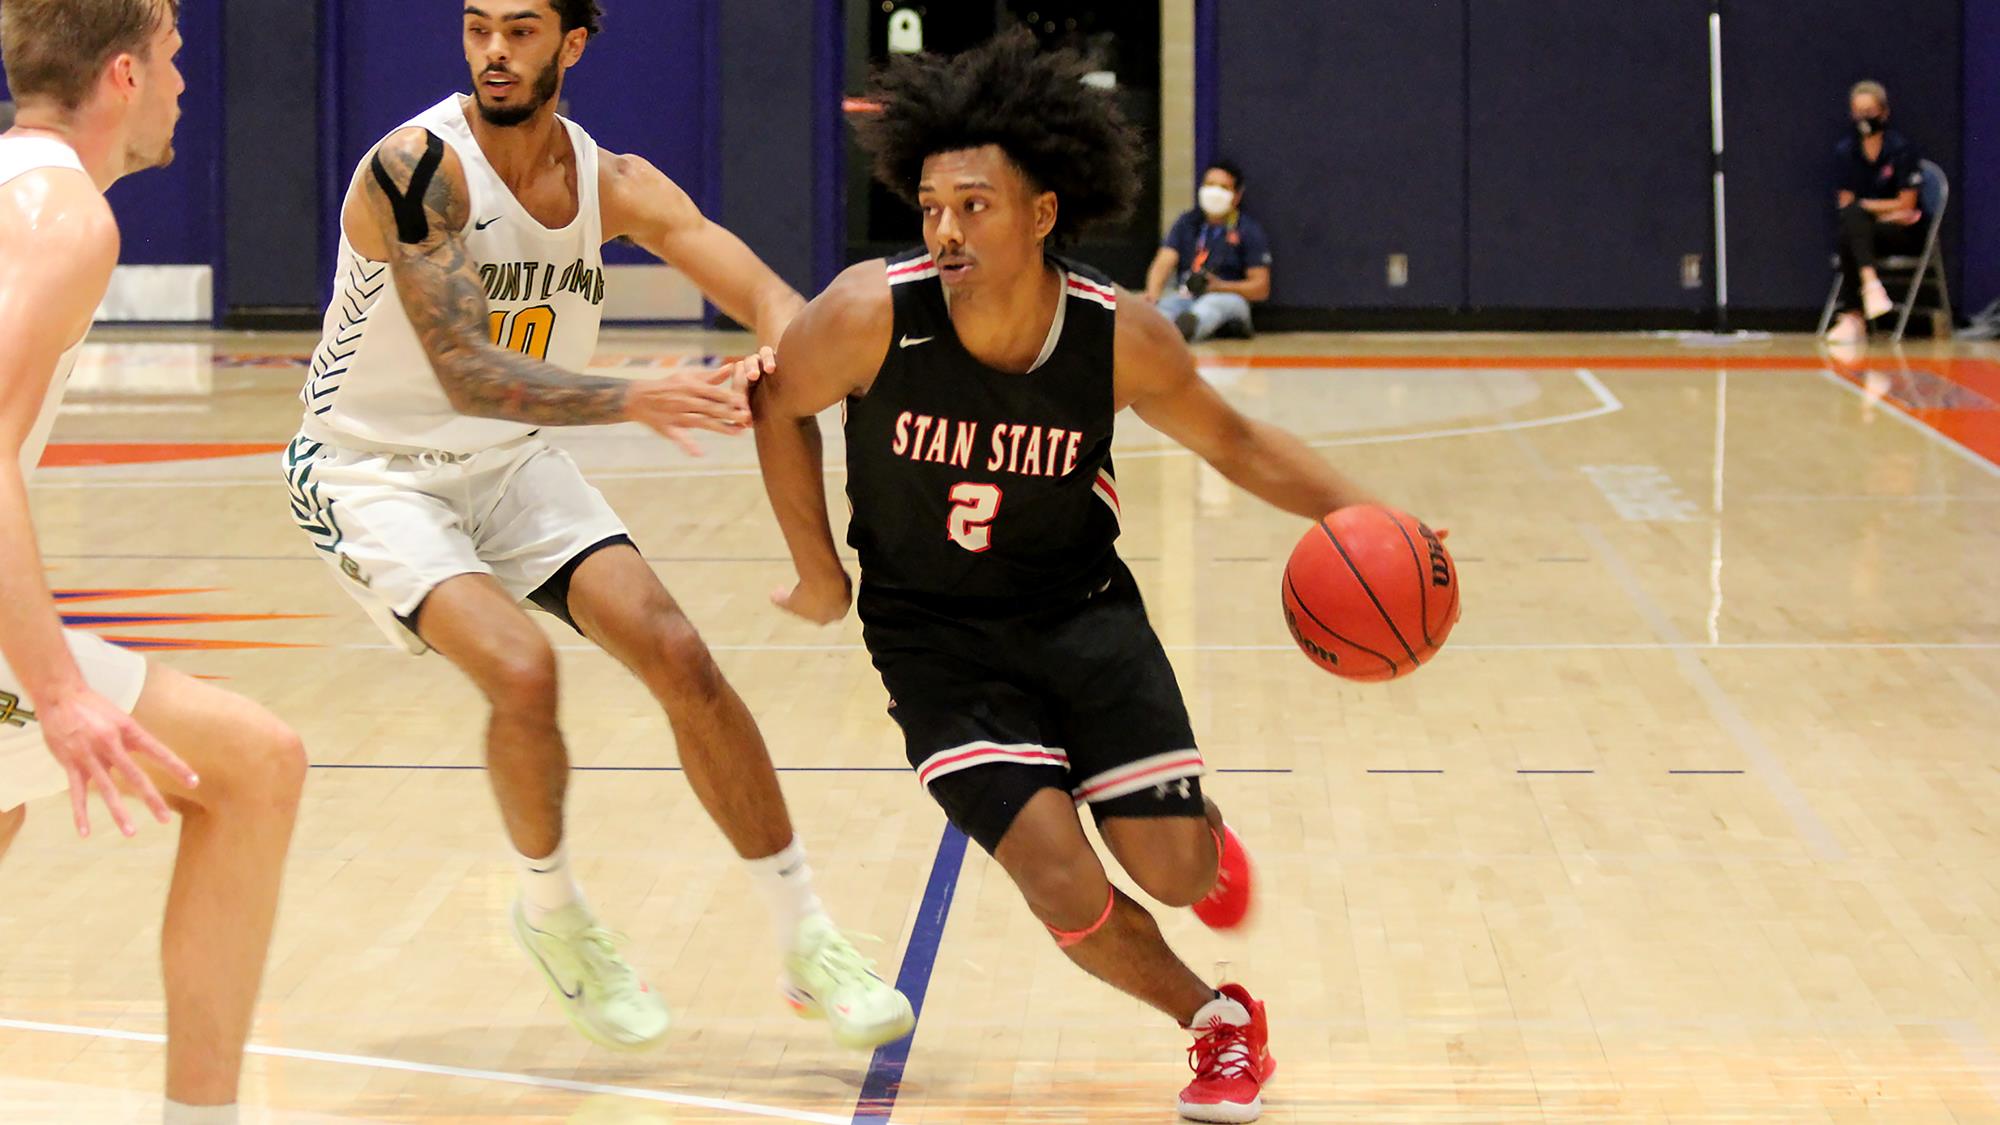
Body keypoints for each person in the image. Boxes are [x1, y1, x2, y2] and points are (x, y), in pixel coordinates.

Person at [753, 30, 1380, 1123]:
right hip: (935, 642)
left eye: (974, 206)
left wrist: (1365, 516)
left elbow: (1236, 443)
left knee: (1176, 873)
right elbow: (774, 404)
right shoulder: (868, 313)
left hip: (1082, 619)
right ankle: (1218, 1021)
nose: (945, 231)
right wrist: (819, 571)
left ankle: (1195, 828)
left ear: (1042, 212)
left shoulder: (1117, 335)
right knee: (1057, 872)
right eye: (931, 207)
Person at [281, 0, 911, 1052]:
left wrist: (792, 354)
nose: (493, 51)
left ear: (571, 45)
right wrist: (635, 396)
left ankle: (808, 939)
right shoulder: (415, 168)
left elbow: (766, 293)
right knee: (522, 669)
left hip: (508, 462)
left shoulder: (611, 181)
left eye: (521, 30)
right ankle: (553, 914)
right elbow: (466, 370)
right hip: (370, 470)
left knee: (680, 655)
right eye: (478, 27)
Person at [0, 2, 307, 1122]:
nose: (185, 82)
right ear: (124, 76)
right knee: (255, 769)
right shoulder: (68, 220)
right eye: (175, 57)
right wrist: (58, 692)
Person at [1825, 80, 1926, 344]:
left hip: (1901, 231)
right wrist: (1874, 210)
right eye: (1859, 113)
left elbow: (1906, 204)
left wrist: (1867, 207)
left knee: (1852, 227)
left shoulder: (1901, 150)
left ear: (1884, 113)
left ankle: (1853, 315)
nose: (1864, 119)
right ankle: (1870, 287)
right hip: (1866, 230)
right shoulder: (1846, 151)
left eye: (1870, 112)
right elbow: (1845, 202)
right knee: (1851, 225)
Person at [1143, 160, 1271, 343]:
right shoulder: (1187, 222)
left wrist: (1219, 286)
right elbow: (1163, 262)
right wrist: (1152, 294)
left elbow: (1261, 288)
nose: (1214, 192)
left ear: (1237, 195)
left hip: (1228, 297)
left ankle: (1188, 328)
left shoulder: (1248, 230)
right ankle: (1159, 329)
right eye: (1209, 185)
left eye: (1223, 187)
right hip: (1187, 295)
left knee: (1212, 306)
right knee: (1166, 307)